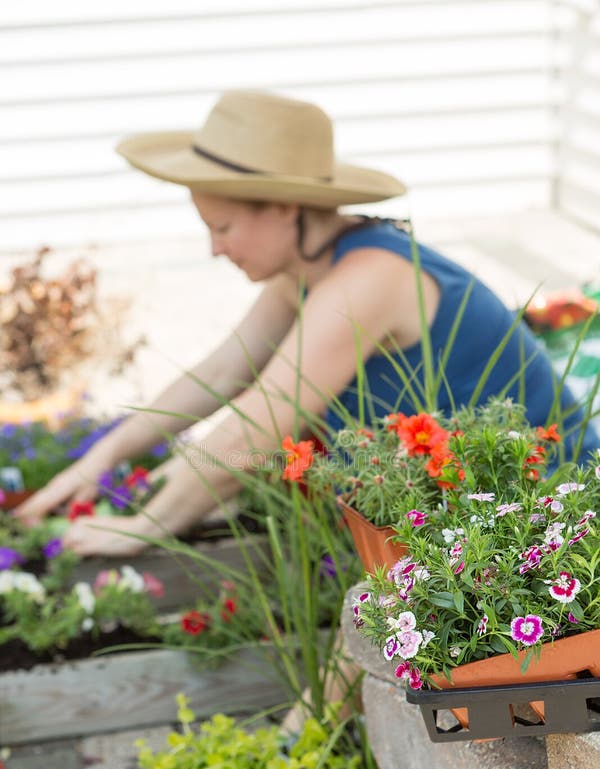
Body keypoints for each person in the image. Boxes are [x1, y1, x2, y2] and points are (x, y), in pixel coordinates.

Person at [15, 89, 598, 555]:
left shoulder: (369, 278)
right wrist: (100, 459)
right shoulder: (308, 271)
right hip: (455, 516)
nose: (215, 249)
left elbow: (259, 424)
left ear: (285, 206)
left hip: (547, 514)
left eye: (222, 227)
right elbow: (220, 374)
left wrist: (145, 526)